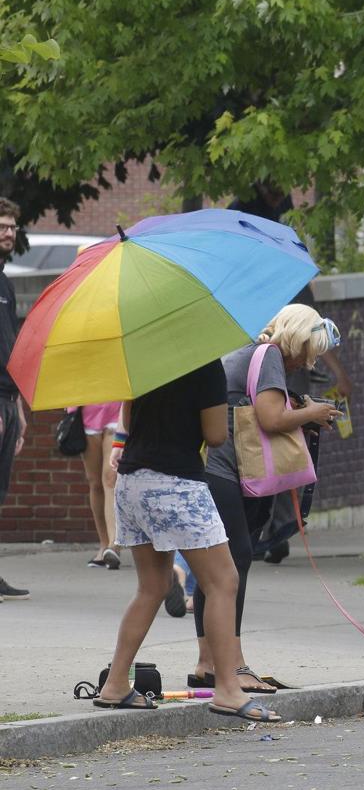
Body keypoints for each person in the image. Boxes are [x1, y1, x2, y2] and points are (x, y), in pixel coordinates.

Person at [100, 360, 280, 721]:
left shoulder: (145, 360)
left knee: (151, 587)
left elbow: (129, 421)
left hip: (132, 483)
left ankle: (116, 683)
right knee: (224, 581)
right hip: (177, 485)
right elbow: (215, 436)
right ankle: (228, 689)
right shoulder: (206, 367)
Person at [191, 304, 341, 692]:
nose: (305, 363)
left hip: (214, 468)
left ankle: (208, 662)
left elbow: (254, 406)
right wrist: (314, 412)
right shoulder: (271, 354)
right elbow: (271, 418)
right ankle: (234, 665)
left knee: (216, 569)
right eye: (308, 352)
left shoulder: (248, 350)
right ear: (296, 337)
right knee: (234, 563)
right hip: (226, 470)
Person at [229, 186, 354, 565]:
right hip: (267, 373)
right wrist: (314, 408)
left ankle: (272, 527)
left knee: (277, 443)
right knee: (279, 442)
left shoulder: (268, 282)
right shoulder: (274, 336)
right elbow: (306, 336)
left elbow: (311, 335)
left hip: (265, 374)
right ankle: (271, 526)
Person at [0, 197, 30, 603]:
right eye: (1, 226)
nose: (8, 233)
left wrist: (18, 410)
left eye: (11, 227)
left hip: (7, 400)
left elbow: (11, 350)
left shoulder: (5, 283)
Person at [79, 401, 123, 569]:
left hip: (117, 411)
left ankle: (114, 545)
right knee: (95, 482)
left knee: (110, 478)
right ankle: (104, 543)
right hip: (88, 412)